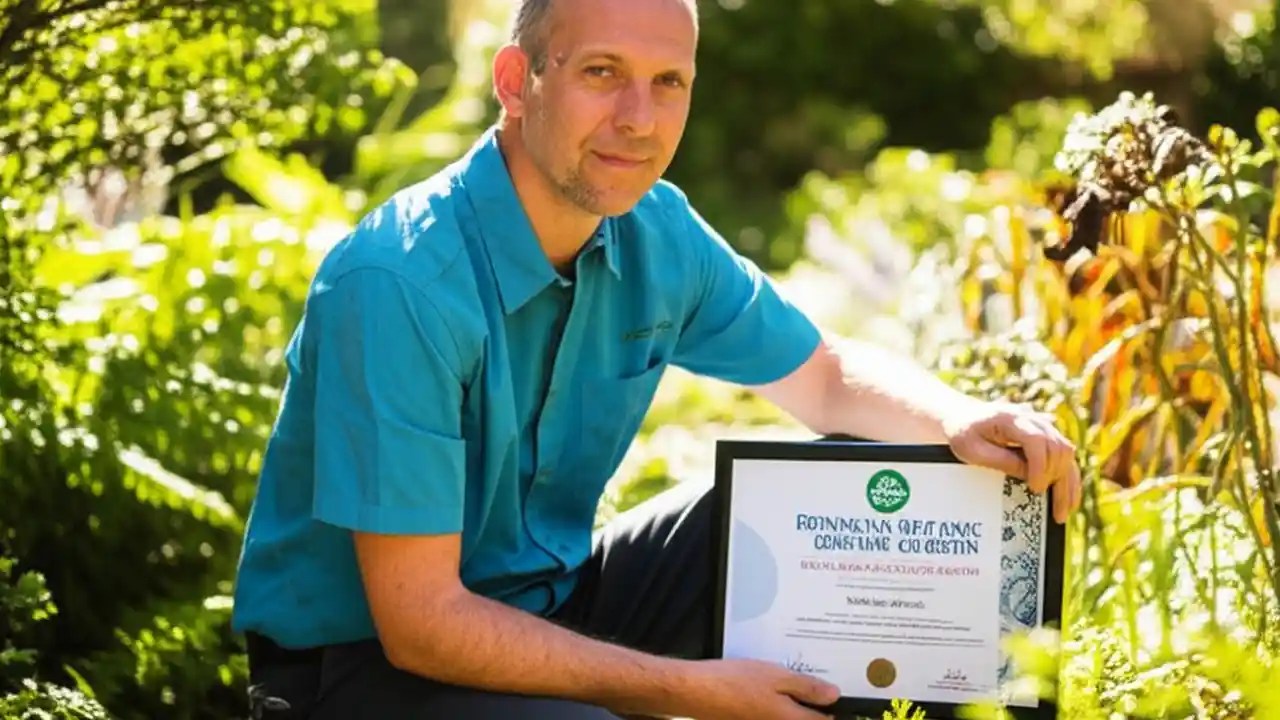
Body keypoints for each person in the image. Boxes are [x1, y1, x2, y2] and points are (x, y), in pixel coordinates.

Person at [229, 0, 1083, 717]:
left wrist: (963, 420)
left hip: (554, 602)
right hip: (359, 668)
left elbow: (824, 375)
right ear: (516, 82)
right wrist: (696, 693)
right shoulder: (400, 282)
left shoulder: (655, 231)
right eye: (602, 72)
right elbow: (422, 624)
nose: (639, 118)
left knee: (850, 476)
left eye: (668, 82)